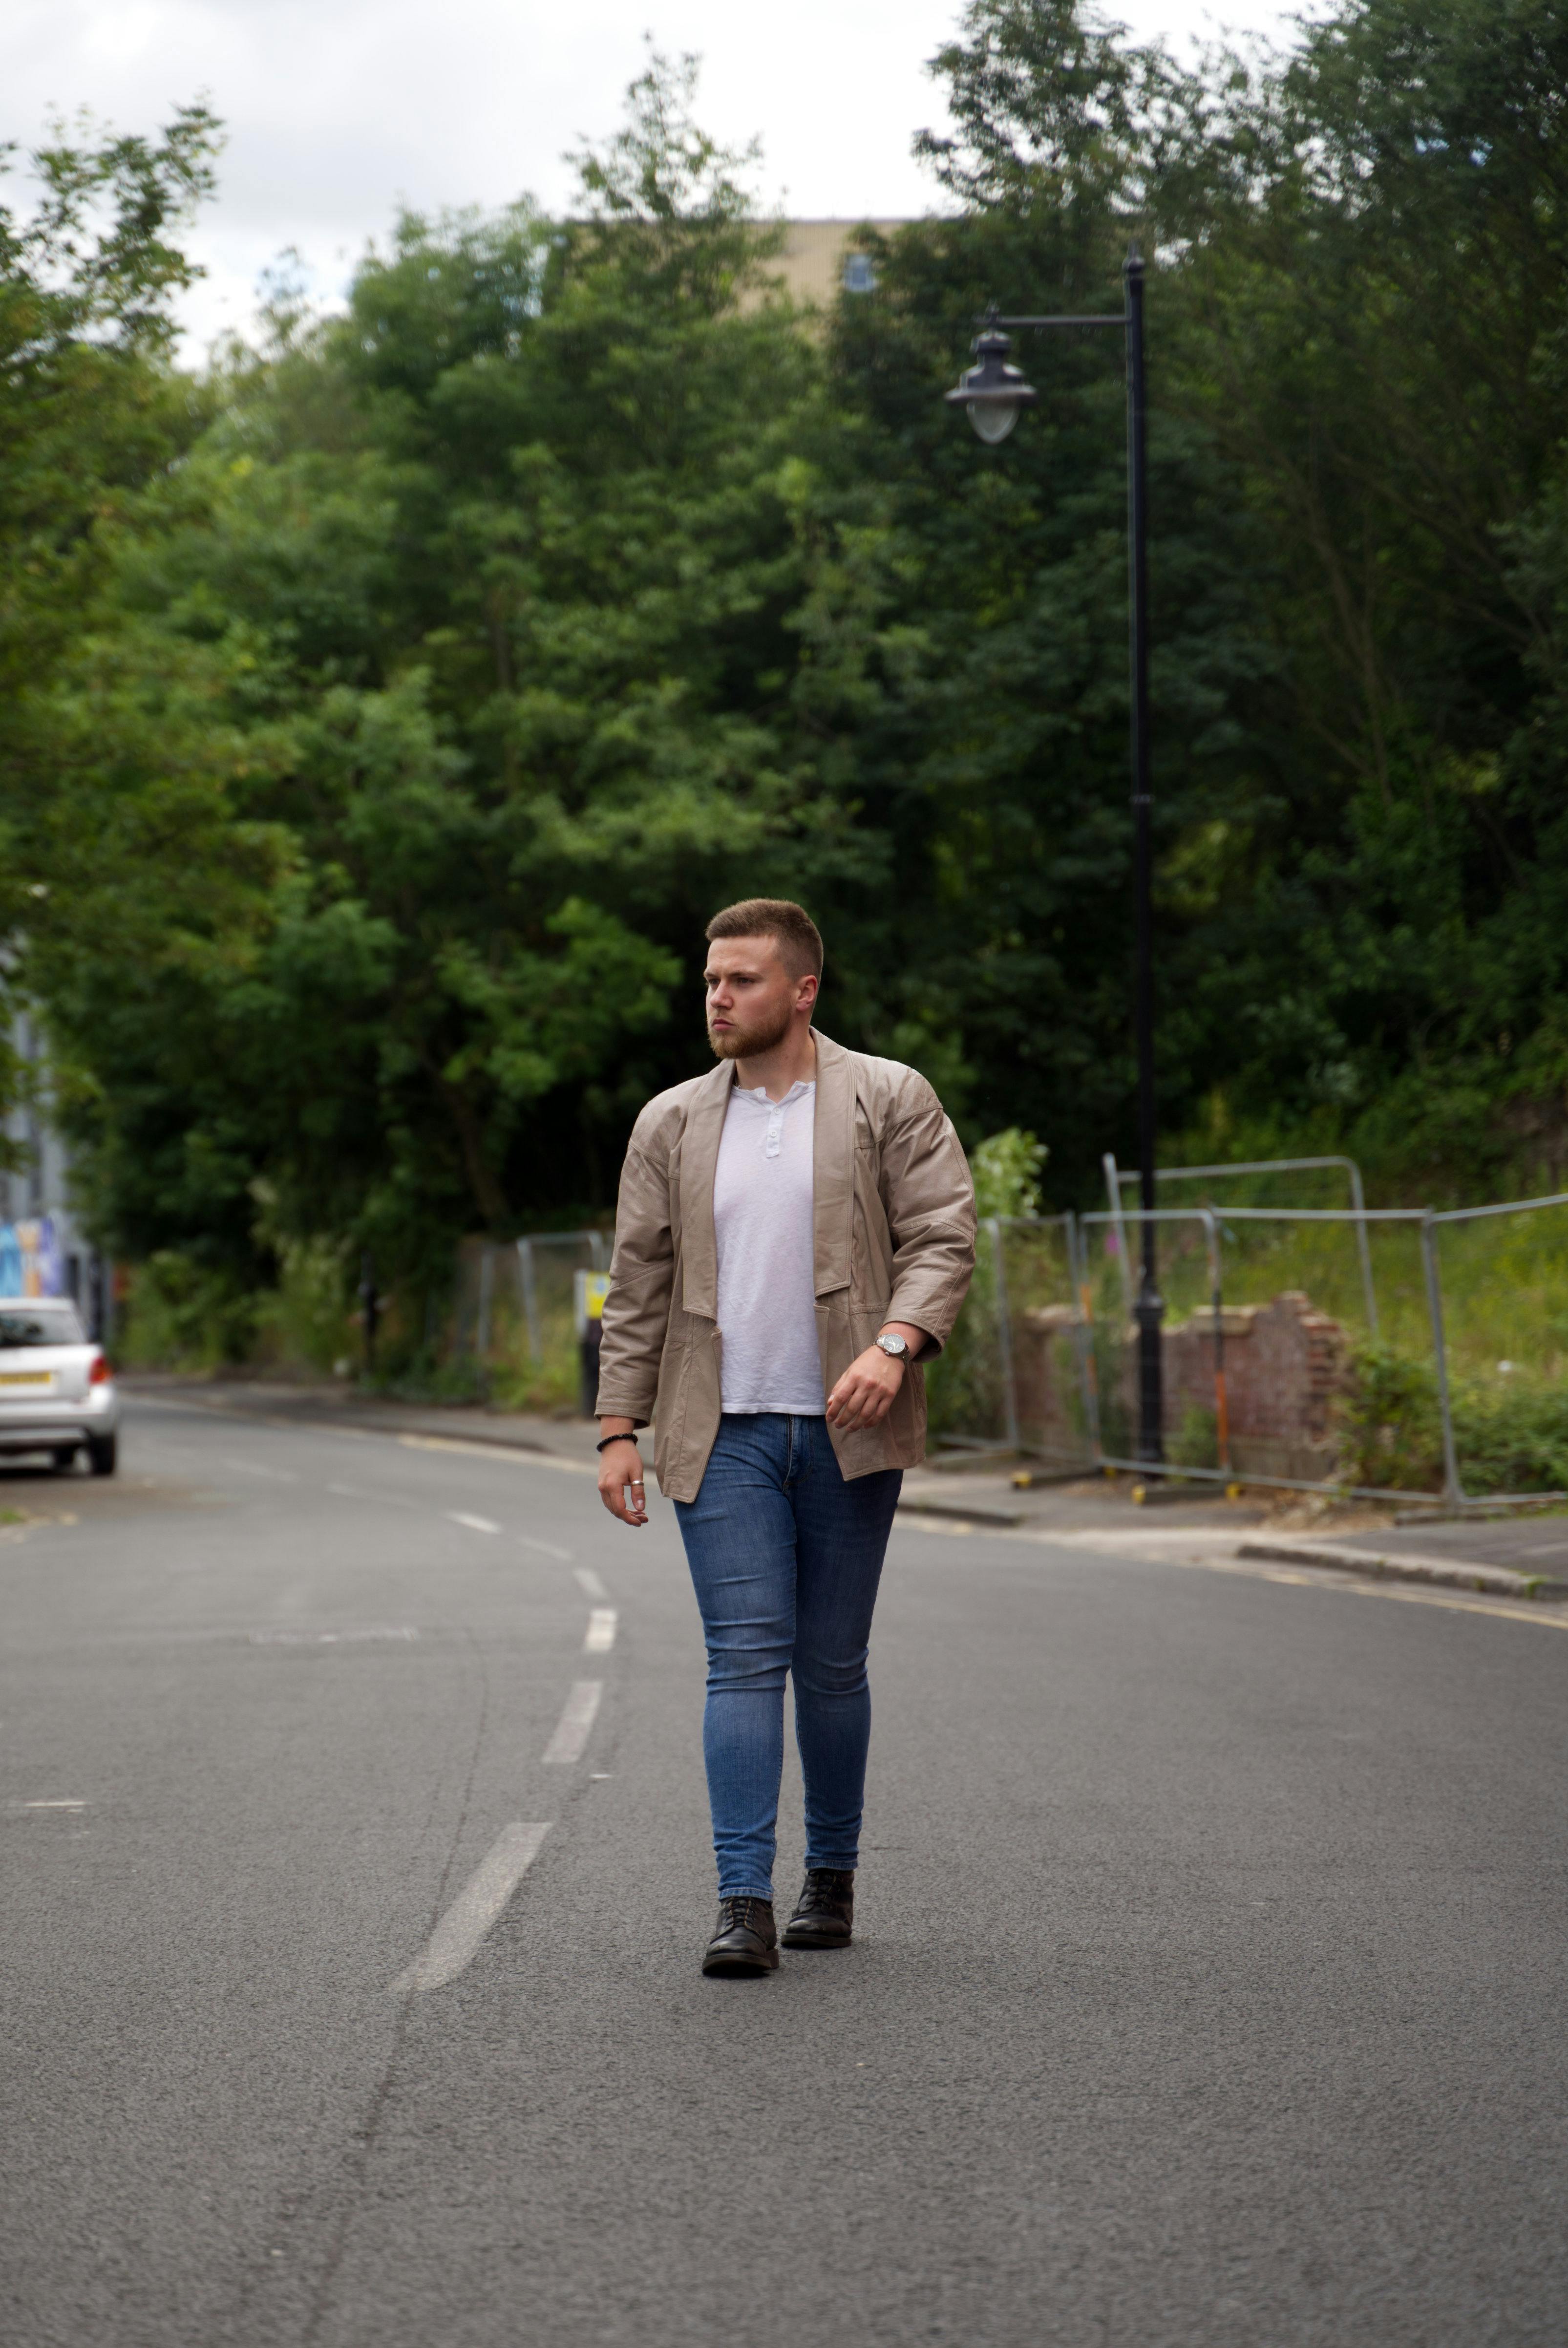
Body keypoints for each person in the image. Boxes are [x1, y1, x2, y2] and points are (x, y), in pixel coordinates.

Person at [594, 898, 976, 1975]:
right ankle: (742, 1901)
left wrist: (895, 1344)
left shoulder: (888, 1096)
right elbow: (638, 1284)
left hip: (851, 1427)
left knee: (831, 1664)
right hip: (720, 1434)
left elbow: (944, 1233)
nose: (718, 997)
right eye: (711, 980)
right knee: (743, 1660)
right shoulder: (670, 1120)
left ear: (803, 991)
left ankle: (834, 1876)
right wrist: (617, 1427)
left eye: (743, 980)